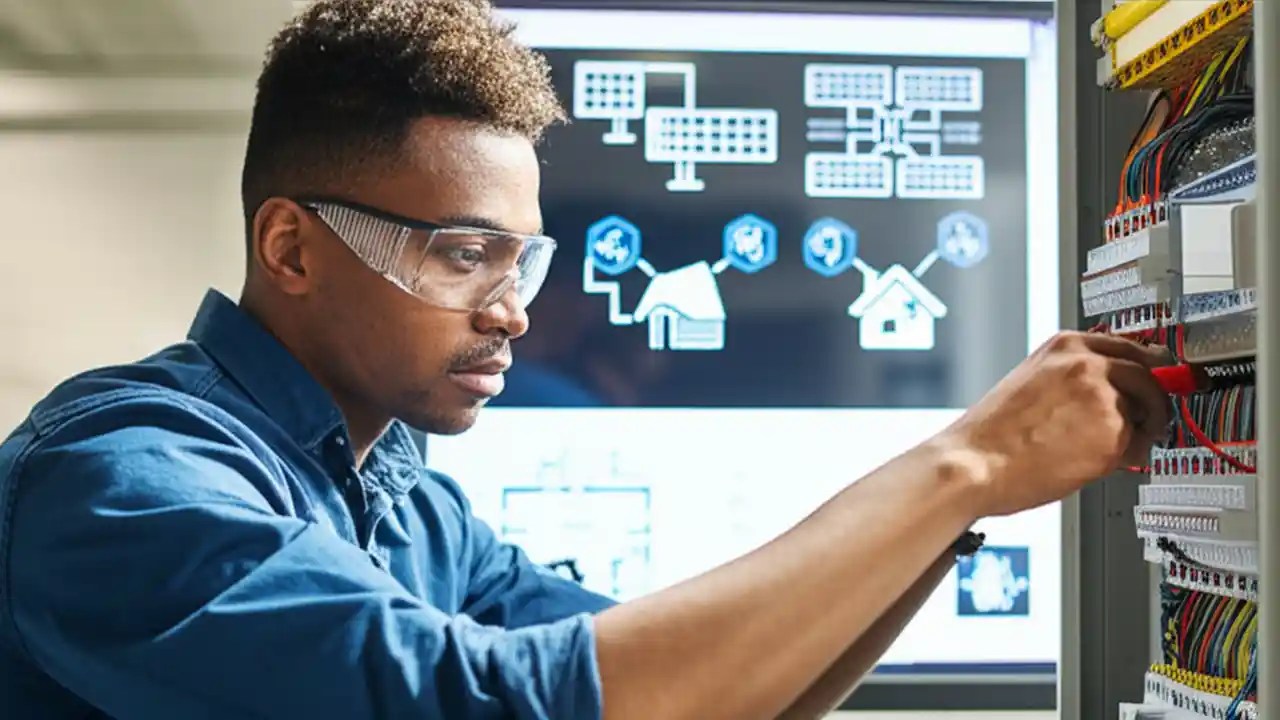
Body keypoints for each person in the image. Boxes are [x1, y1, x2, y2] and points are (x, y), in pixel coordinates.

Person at [0, 1, 1172, 719]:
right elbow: (522, 710)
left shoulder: (403, 503)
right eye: (464, 255)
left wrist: (960, 504)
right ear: (292, 246)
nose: (510, 312)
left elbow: (710, 692)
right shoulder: (125, 483)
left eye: (522, 262)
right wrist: (961, 463)